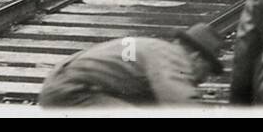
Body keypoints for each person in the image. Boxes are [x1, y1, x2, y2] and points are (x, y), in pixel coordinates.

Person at [38, 23, 222, 107]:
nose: (202, 80)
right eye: (206, 72)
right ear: (197, 57)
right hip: (75, 92)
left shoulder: (155, 49)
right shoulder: (172, 57)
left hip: (63, 86)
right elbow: (180, 103)